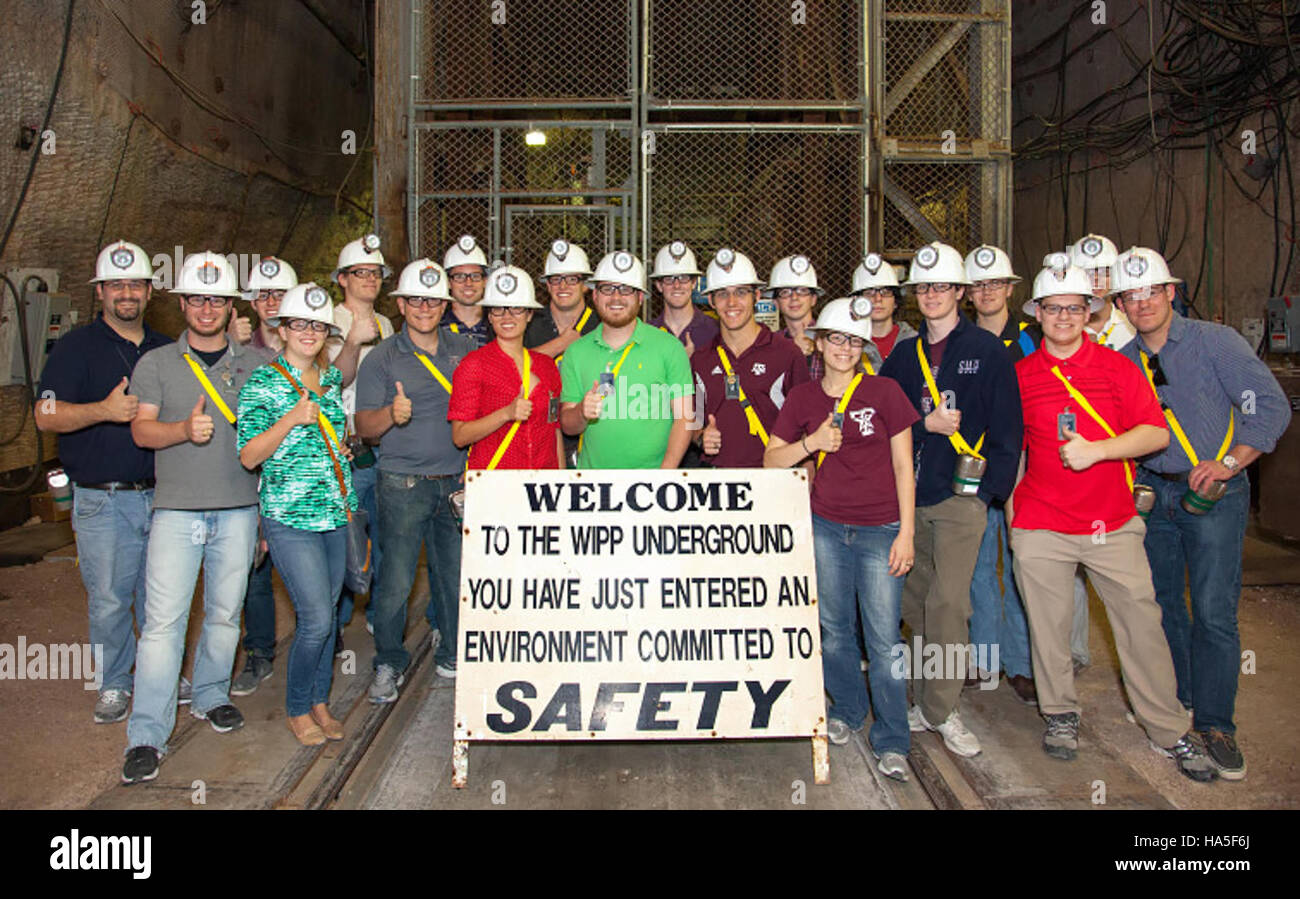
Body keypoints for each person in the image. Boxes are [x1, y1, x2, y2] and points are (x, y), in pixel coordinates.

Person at [1010, 255, 1216, 781]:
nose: (1063, 318)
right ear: (1037, 313)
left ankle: (1169, 728)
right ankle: (1059, 714)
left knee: (1141, 624)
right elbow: (1012, 449)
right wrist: (1016, 515)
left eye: (1073, 308)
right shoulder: (1021, 375)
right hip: (1043, 525)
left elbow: (1156, 435)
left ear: (1089, 311)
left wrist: (1099, 451)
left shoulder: (1118, 368)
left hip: (1111, 523)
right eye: (1052, 309)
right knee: (1050, 629)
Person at [1115, 246, 1291, 781]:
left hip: (1212, 495)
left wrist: (1230, 463)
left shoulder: (1217, 343)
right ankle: (1181, 702)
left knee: (1214, 610)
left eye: (1152, 292)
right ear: (1121, 303)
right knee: (1163, 603)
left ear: (1172, 292)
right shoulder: (1122, 361)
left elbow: (1269, 404)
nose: (1143, 303)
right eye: (1131, 295)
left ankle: (1217, 724)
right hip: (1153, 494)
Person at [879, 241, 1022, 758]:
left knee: (949, 602)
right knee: (916, 604)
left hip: (961, 499)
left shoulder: (986, 352)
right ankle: (930, 700)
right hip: (912, 498)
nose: (932, 294)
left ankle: (942, 710)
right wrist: (924, 426)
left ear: (960, 291)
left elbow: (1010, 431)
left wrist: (987, 495)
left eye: (942, 285)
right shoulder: (901, 357)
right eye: (923, 287)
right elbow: (882, 428)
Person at [765, 298, 918, 781]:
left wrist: (907, 533)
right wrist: (811, 445)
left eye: (854, 340)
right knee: (833, 630)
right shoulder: (803, 399)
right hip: (827, 527)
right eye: (836, 338)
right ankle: (848, 711)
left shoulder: (886, 391)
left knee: (883, 637)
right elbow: (772, 460)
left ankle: (893, 737)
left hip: (881, 529)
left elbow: (903, 468)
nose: (845, 348)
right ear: (818, 342)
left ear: (865, 346)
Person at [121, 253, 259, 784]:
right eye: (197, 299)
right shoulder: (154, 365)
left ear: (230, 307)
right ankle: (146, 735)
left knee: (226, 613)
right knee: (162, 625)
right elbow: (141, 432)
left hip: (239, 508)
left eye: (217, 299)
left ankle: (209, 695)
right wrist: (185, 430)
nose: (206, 308)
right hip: (176, 511)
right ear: (181, 304)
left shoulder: (254, 366)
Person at [35, 240, 172, 724]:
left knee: (162, 598)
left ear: (150, 291)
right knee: (111, 598)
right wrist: (104, 411)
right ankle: (115, 683)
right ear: (100, 294)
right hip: (103, 500)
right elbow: (45, 413)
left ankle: (161, 678)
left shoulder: (166, 350)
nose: (126, 293)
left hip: (163, 497)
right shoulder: (76, 348)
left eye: (134, 283)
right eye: (116, 285)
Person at [237, 283, 355, 747]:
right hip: (290, 519)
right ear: (281, 330)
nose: (309, 333)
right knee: (316, 620)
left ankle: (319, 699)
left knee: (326, 611)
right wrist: (289, 419)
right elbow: (248, 456)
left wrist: (341, 449)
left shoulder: (328, 383)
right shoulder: (263, 384)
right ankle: (295, 708)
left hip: (334, 514)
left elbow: (331, 440)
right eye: (299, 324)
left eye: (318, 326)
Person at [355, 259, 475, 699]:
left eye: (433, 300)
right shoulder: (381, 358)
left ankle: (452, 651)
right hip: (402, 483)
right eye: (416, 299)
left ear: (445, 305)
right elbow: (364, 427)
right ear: (401, 304)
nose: (425, 307)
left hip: (456, 481)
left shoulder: (463, 351)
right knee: (398, 580)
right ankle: (388, 660)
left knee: (453, 574)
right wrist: (391, 414)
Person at [962, 244, 1038, 704]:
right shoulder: (961, 342)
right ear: (968, 293)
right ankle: (983, 658)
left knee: (1021, 565)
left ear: (1010, 288)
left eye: (995, 283)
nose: (987, 292)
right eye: (978, 285)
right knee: (975, 568)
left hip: (1027, 468)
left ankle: (1023, 663)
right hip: (974, 467)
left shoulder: (1032, 337)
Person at [559, 251, 695, 469]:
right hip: (595, 486)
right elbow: (568, 425)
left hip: (655, 482)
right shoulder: (575, 353)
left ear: (640, 298)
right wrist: (581, 412)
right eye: (607, 289)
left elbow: (685, 417)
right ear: (595, 296)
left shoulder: (669, 348)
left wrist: (665, 476)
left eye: (626, 289)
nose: (616, 297)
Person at [1067, 233, 1133, 675]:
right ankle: (1073, 653)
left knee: (1126, 579)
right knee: (1067, 570)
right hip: (1070, 466)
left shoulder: (1133, 333)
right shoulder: (1059, 330)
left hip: (1120, 466)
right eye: (1086, 273)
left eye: (1102, 273)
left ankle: (1138, 672)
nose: (1094, 280)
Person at [231, 255, 297, 696]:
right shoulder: (235, 352)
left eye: (280, 295)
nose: (272, 302)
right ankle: (259, 652)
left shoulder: (312, 342)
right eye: (264, 295)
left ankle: (323, 645)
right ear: (253, 303)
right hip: (253, 476)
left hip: (302, 477)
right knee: (253, 569)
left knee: (310, 567)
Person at [327, 235, 393, 653]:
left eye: (375, 273)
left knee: (383, 535)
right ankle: (331, 623)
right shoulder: (326, 320)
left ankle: (376, 616)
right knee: (339, 536)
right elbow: (331, 383)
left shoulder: (386, 324)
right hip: (340, 446)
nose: (369, 279)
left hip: (382, 443)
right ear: (342, 279)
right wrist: (351, 340)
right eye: (360, 273)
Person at [692, 248, 808, 468]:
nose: (732, 302)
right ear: (711, 300)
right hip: (718, 482)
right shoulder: (700, 359)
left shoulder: (787, 354)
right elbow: (689, 418)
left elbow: (806, 425)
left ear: (756, 296)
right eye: (723, 293)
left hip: (773, 477)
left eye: (741, 292)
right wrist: (700, 437)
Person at [451, 264, 563, 470]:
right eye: (498, 309)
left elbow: (554, 430)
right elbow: (459, 436)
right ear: (490, 316)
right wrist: (505, 414)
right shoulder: (474, 364)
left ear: (529, 315)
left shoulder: (547, 366)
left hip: (542, 486)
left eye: (516, 308)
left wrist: (561, 482)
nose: (507, 316)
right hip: (496, 483)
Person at [524, 239, 600, 360]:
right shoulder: (528, 323)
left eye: (572, 279)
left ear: (585, 285)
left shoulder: (600, 325)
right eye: (556, 279)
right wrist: (561, 343)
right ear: (548, 285)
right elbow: (511, 369)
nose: (563, 286)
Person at [647, 240, 718, 355]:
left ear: (694, 283)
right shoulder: (648, 334)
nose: (677, 285)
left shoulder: (714, 331)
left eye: (683, 278)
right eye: (669, 279)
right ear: (659, 285)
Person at [851, 253, 917, 371]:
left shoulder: (914, 342)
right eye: (869, 292)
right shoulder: (848, 345)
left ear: (896, 301)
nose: (878, 299)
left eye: (885, 292)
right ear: (857, 302)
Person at [767, 254, 823, 367]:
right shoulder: (771, 344)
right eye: (785, 292)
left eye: (802, 291)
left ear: (813, 299)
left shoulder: (831, 339)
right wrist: (791, 351)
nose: (794, 298)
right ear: (776, 303)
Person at [441, 234, 493, 347]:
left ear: (485, 281)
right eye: (459, 277)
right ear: (448, 282)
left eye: (475, 276)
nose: (468, 283)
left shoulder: (498, 326)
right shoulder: (436, 327)